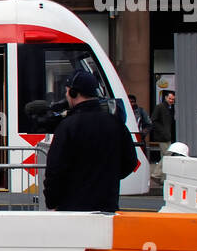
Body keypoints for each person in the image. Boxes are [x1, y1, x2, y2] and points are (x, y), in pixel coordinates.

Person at [43, 70, 138, 213]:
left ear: (74, 93)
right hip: (107, 205)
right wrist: (108, 178)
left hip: (71, 205)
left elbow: (54, 170)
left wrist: (52, 202)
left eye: (67, 91)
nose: (66, 95)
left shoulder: (68, 126)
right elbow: (130, 161)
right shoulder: (116, 123)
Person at [150, 90, 176, 172]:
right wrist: (162, 131)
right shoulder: (160, 107)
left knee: (165, 155)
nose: (171, 101)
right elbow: (153, 120)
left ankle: (162, 177)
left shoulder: (170, 108)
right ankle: (156, 173)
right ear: (165, 98)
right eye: (170, 98)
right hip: (162, 135)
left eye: (173, 99)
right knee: (167, 155)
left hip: (166, 135)